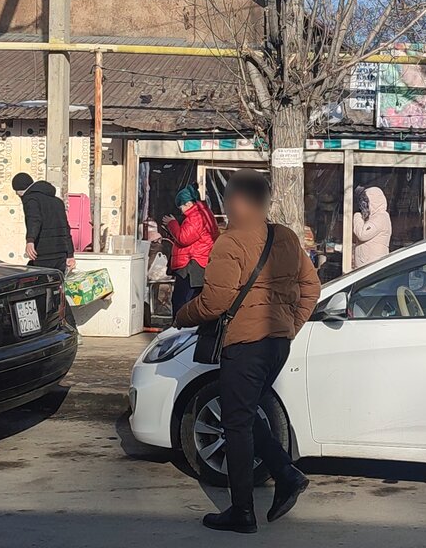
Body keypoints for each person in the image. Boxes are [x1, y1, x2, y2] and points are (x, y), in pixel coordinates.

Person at [176, 169, 320, 534]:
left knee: (236, 423)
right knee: (244, 411)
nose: (225, 206)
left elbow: (214, 302)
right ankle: (286, 474)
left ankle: (242, 512)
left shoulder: (231, 243)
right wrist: (289, 326)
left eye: (227, 199)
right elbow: (312, 287)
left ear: (239, 201)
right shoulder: (285, 237)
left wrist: (182, 315)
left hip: (245, 346)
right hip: (277, 345)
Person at [161, 183, 219, 318]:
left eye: (181, 206)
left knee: (182, 299)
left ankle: (180, 325)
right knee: (191, 298)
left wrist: (172, 223)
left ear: (188, 204)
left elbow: (184, 238)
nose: (181, 210)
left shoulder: (196, 217)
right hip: (198, 261)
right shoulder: (203, 214)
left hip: (192, 264)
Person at [12, 173, 75, 276]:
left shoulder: (31, 199)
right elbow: (66, 228)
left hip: (44, 254)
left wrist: (30, 240)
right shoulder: (58, 202)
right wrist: (70, 254)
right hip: (60, 254)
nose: (17, 195)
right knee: (57, 283)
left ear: (20, 190)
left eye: (16, 192)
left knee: (40, 283)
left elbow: (34, 220)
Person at [352, 186, 391, 267]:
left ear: (374, 202)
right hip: (367, 266)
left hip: (373, 266)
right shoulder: (373, 217)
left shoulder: (380, 217)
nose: (364, 206)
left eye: (366, 202)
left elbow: (362, 234)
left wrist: (357, 215)